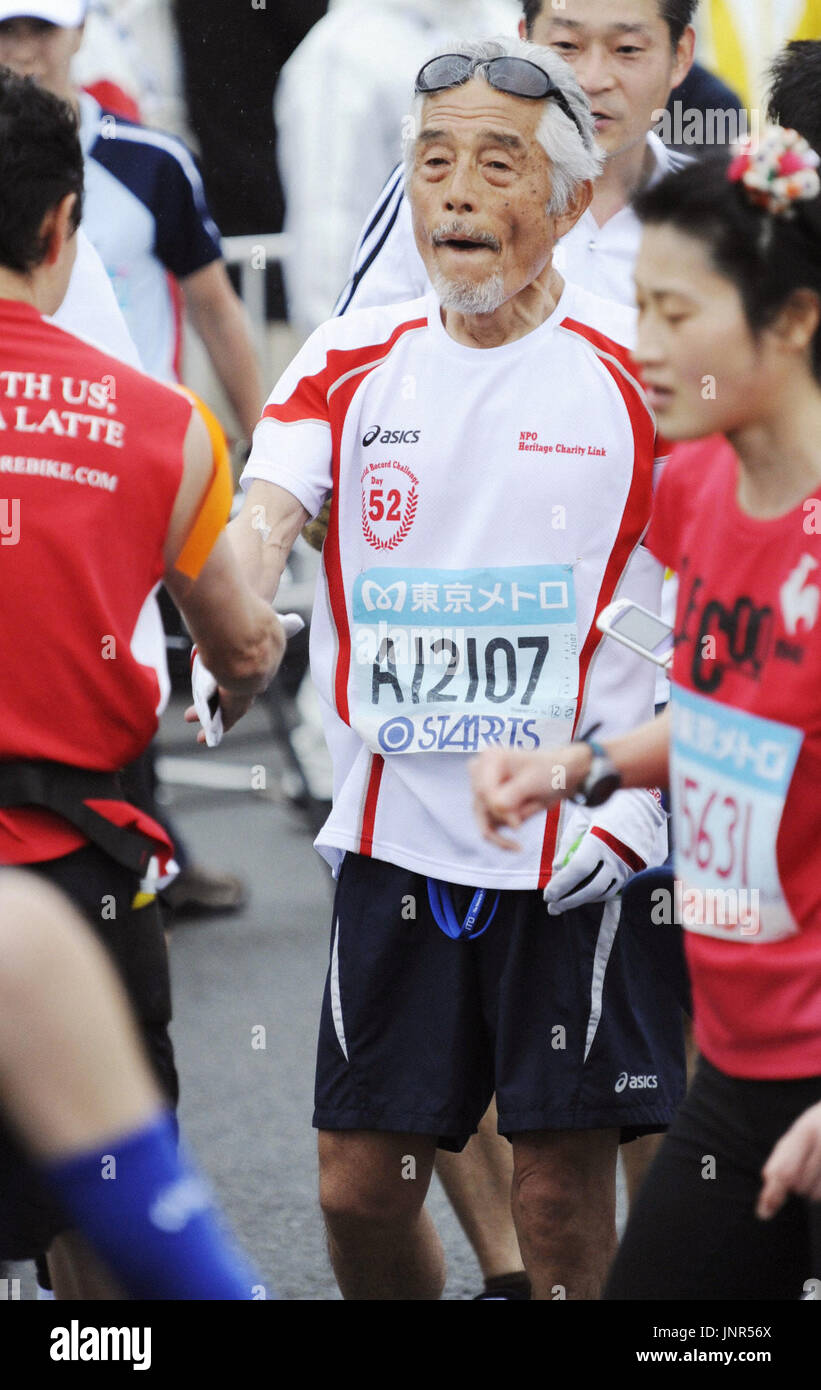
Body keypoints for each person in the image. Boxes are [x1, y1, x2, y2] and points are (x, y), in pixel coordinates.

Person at [200, 35, 686, 1301]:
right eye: (431, 164)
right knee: (357, 1185)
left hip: (574, 843)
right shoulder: (352, 356)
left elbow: (711, 596)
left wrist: (642, 805)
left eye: (495, 164)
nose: (456, 194)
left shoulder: (638, 372)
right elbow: (261, 519)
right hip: (395, 835)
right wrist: (233, 617)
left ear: (570, 202)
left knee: (554, 1188)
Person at [471, 123, 821, 1299]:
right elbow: (747, 719)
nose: (644, 347)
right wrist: (581, 765)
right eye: (640, 309)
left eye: (680, 315)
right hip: (733, 1061)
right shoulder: (694, 486)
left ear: (792, 320)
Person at [0, 66, 284, 1295]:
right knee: (107, 1226)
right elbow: (243, 641)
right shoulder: (161, 423)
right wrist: (230, 669)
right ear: (64, 226)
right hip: (79, 864)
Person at [0, 1, 263, 441]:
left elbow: (213, 307)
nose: (25, 52)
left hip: (144, 440)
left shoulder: (154, 162)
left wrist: (265, 446)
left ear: (81, 32)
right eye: (8, 32)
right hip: (23, 441)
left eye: (42, 30)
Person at [0, 872, 264, 1300]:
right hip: (65, 871)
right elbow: (187, 1280)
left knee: (77, 1217)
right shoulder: (18, 940)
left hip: (75, 853)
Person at [276, 0, 520, 333]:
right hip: (403, 338)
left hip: (515, 329)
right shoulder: (344, 49)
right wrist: (340, 356)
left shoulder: (505, 22)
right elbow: (328, 228)